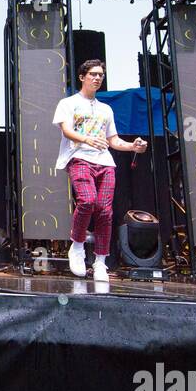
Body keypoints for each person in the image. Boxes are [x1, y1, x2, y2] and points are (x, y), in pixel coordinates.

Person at [53, 59, 147, 282]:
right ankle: (77, 246)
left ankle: (100, 262)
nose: (97, 78)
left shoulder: (106, 109)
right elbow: (66, 131)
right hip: (79, 158)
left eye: (101, 75)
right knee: (87, 200)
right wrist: (87, 139)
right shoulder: (68, 103)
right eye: (93, 74)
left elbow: (113, 140)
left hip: (105, 163)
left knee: (105, 212)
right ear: (82, 77)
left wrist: (133, 146)